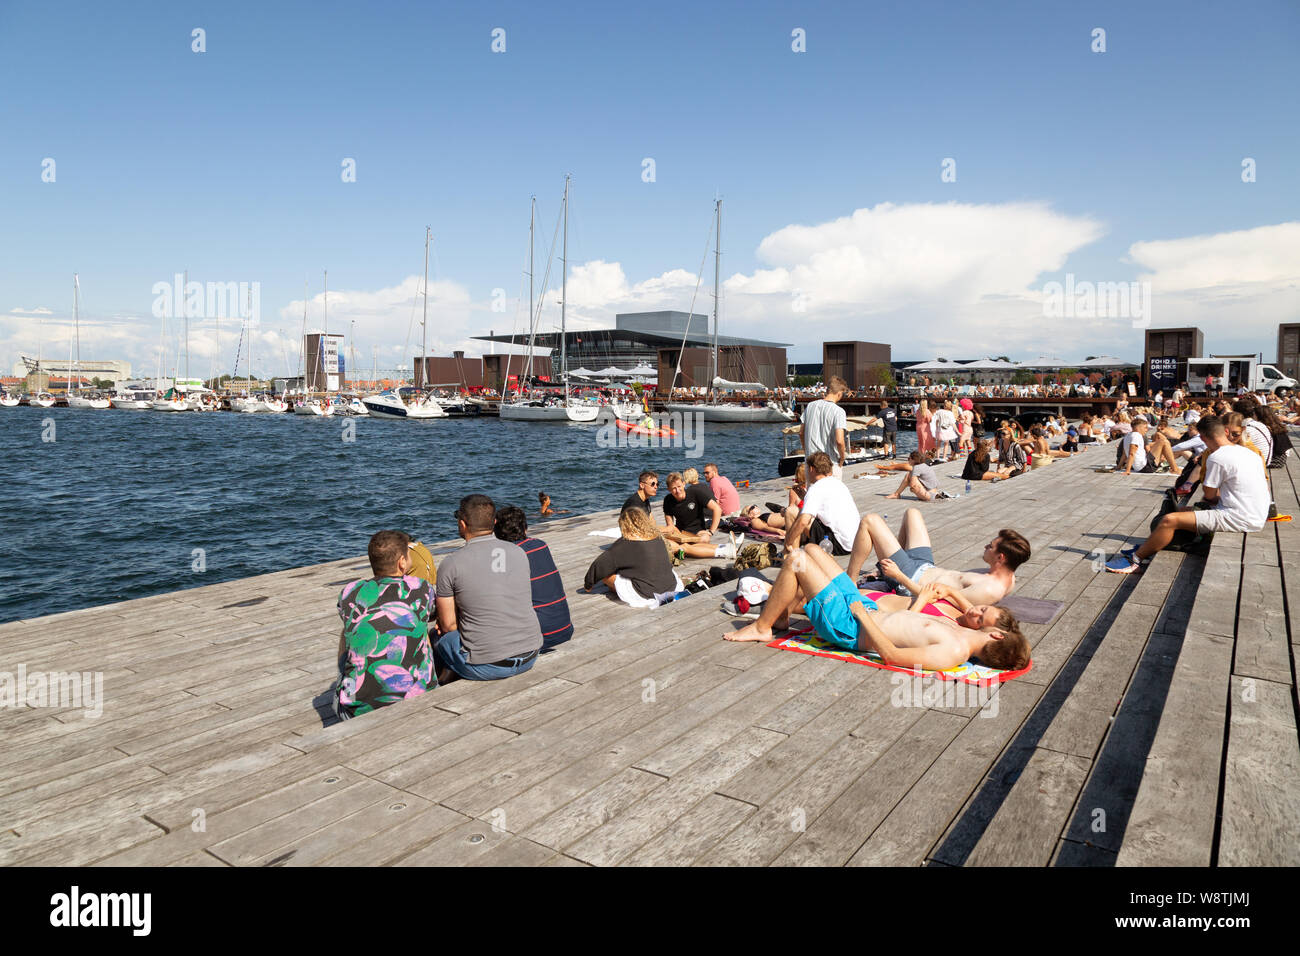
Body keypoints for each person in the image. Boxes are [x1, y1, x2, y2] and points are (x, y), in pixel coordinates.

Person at [723, 544, 1030, 673]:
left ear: (999, 637)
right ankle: (780, 619)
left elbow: (892, 657)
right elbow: (914, 623)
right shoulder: (962, 632)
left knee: (797, 561)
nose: (982, 614)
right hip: (866, 609)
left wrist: (861, 616)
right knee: (814, 550)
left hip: (851, 624)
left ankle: (764, 627)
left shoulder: (952, 653)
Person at [1106, 416, 1270, 573]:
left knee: (1169, 520)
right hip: (1257, 513)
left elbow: (1209, 495)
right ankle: (1153, 545)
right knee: (1183, 512)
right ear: (1225, 432)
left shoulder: (1217, 457)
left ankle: (1135, 560)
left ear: (1204, 438)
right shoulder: (1248, 452)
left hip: (1241, 517)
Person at [433, 494, 543, 682]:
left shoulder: (451, 564)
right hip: (530, 655)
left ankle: (440, 684)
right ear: (493, 522)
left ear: (462, 524)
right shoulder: (518, 552)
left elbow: (448, 625)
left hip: (489, 666)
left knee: (438, 638)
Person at [335, 530, 436, 720]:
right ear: (402, 562)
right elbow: (431, 614)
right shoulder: (422, 588)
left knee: (348, 632)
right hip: (420, 697)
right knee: (419, 628)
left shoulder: (349, 592)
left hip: (357, 708)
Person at [845, 508, 1030, 603]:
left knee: (870, 521)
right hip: (925, 566)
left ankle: (849, 582)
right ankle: (885, 571)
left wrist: (898, 575)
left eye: (991, 546)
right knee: (912, 513)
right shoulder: (1008, 576)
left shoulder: (989, 590)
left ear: (1001, 558)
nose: (985, 546)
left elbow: (933, 600)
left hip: (911, 578)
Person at [494, 505, 573, 649]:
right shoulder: (541, 545)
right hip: (564, 629)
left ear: (497, 533)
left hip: (536, 638)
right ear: (525, 528)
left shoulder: (502, 556)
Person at [583, 506, 681, 608]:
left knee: (607, 575)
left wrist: (588, 585)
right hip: (672, 586)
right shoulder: (658, 538)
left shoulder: (624, 544)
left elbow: (599, 566)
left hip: (645, 593)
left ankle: (617, 590)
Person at [783, 451, 860, 555]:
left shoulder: (816, 488)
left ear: (811, 469)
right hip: (855, 543)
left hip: (837, 544)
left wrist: (788, 541)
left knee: (791, 511)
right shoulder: (838, 483)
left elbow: (803, 521)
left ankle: (791, 554)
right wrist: (805, 497)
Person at [661, 471, 736, 560]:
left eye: (679, 486)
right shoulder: (668, 500)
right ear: (669, 489)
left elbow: (717, 509)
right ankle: (725, 547)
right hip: (682, 534)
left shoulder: (695, 493)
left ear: (684, 484)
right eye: (673, 488)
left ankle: (725, 548)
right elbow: (670, 525)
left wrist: (711, 531)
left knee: (704, 539)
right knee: (668, 543)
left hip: (698, 532)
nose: (677, 491)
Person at [798, 375, 848, 478]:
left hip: (811, 463)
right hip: (829, 463)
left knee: (812, 493)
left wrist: (807, 451)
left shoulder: (810, 406)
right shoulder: (839, 412)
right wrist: (842, 458)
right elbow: (839, 440)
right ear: (839, 393)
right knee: (832, 494)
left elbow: (801, 433)